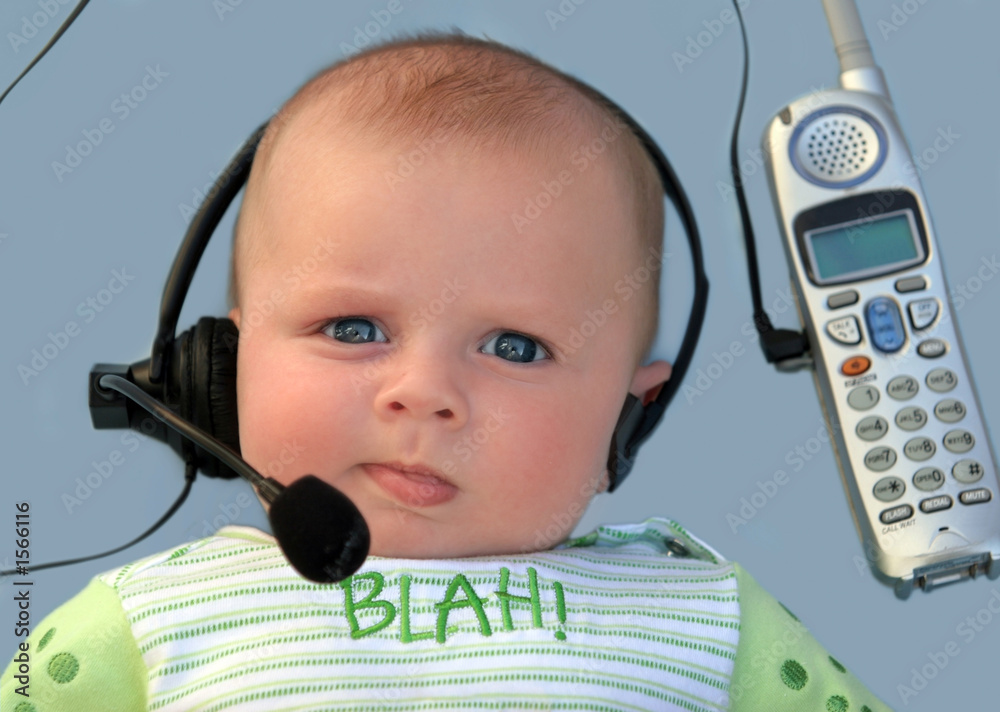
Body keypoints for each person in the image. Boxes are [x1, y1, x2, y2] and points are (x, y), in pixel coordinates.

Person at [1, 32, 893, 711]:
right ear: (225, 369)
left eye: (514, 347)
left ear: (629, 417)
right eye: (352, 328)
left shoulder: (710, 621)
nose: (423, 391)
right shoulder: (150, 621)